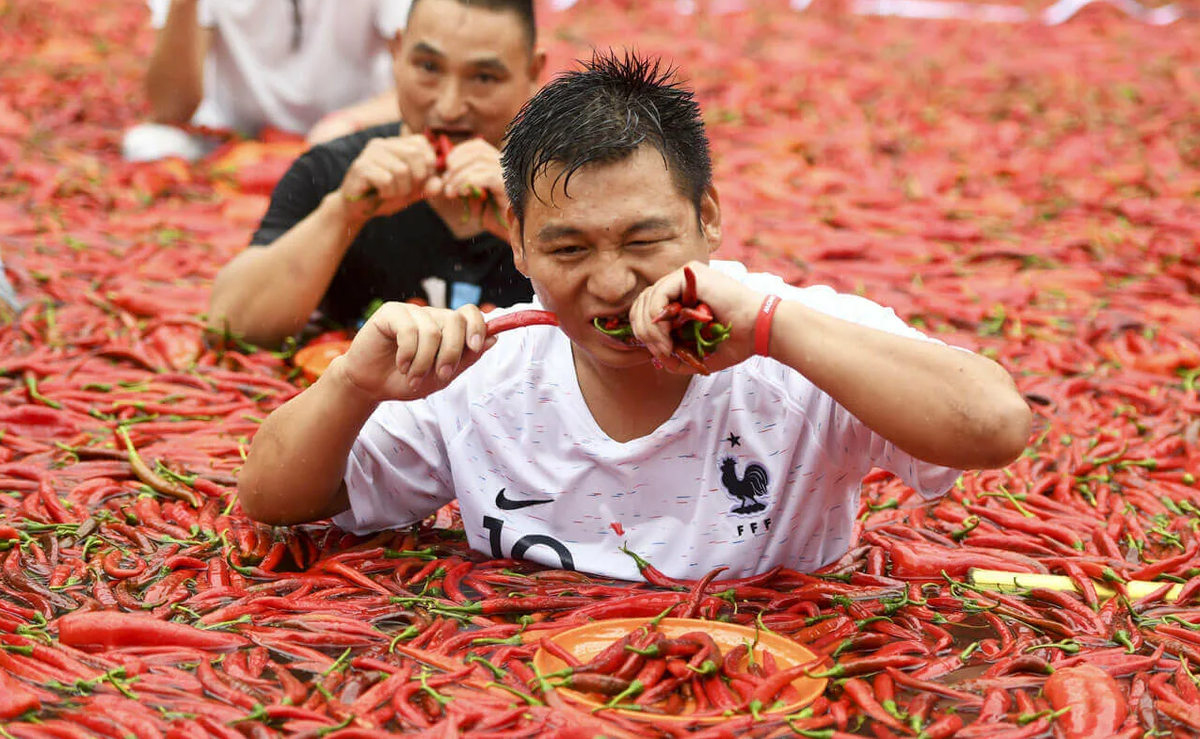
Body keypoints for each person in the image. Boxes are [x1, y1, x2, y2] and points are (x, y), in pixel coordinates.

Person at [237, 51, 1033, 581]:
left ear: (708, 218)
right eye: (569, 248)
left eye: (646, 239)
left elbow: (996, 424)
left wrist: (773, 329)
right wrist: (352, 384)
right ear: (515, 243)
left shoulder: (798, 340)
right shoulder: (487, 372)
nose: (611, 282)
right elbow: (271, 498)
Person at [207, 0, 544, 346]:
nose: (449, 106)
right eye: (428, 67)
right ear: (396, 53)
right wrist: (341, 213)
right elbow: (229, 327)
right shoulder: (332, 171)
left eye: (484, 77)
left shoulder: (567, 186)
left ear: (533, 72)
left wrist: (528, 227)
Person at [123, 0, 412, 164]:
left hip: (348, 139)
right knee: (148, 144)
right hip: (230, 142)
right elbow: (170, 108)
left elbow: (424, 81)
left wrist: (349, 122)